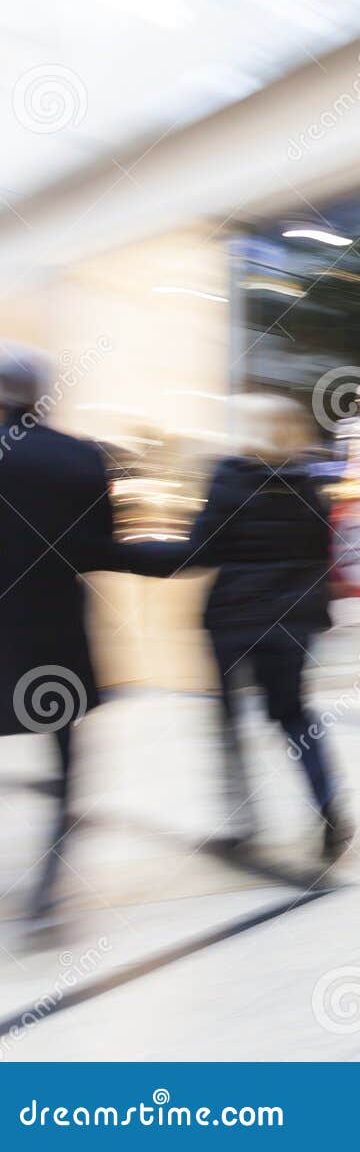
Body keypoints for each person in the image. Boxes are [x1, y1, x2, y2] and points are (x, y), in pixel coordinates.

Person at [125, 394, 351, 861]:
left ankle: (244, 826)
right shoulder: (310, 486)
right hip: (292, 622)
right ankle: (330, 810)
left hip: (235, 620)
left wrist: (126, 553)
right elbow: (322, 558)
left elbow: (199, 552)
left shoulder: (230, 478)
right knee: (293, 716)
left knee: (228, 721)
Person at [0, 343, 119, 923]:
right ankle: (49, 884)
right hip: (52, 625)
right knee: (64, 746)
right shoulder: (80, 458)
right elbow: (97, 546)